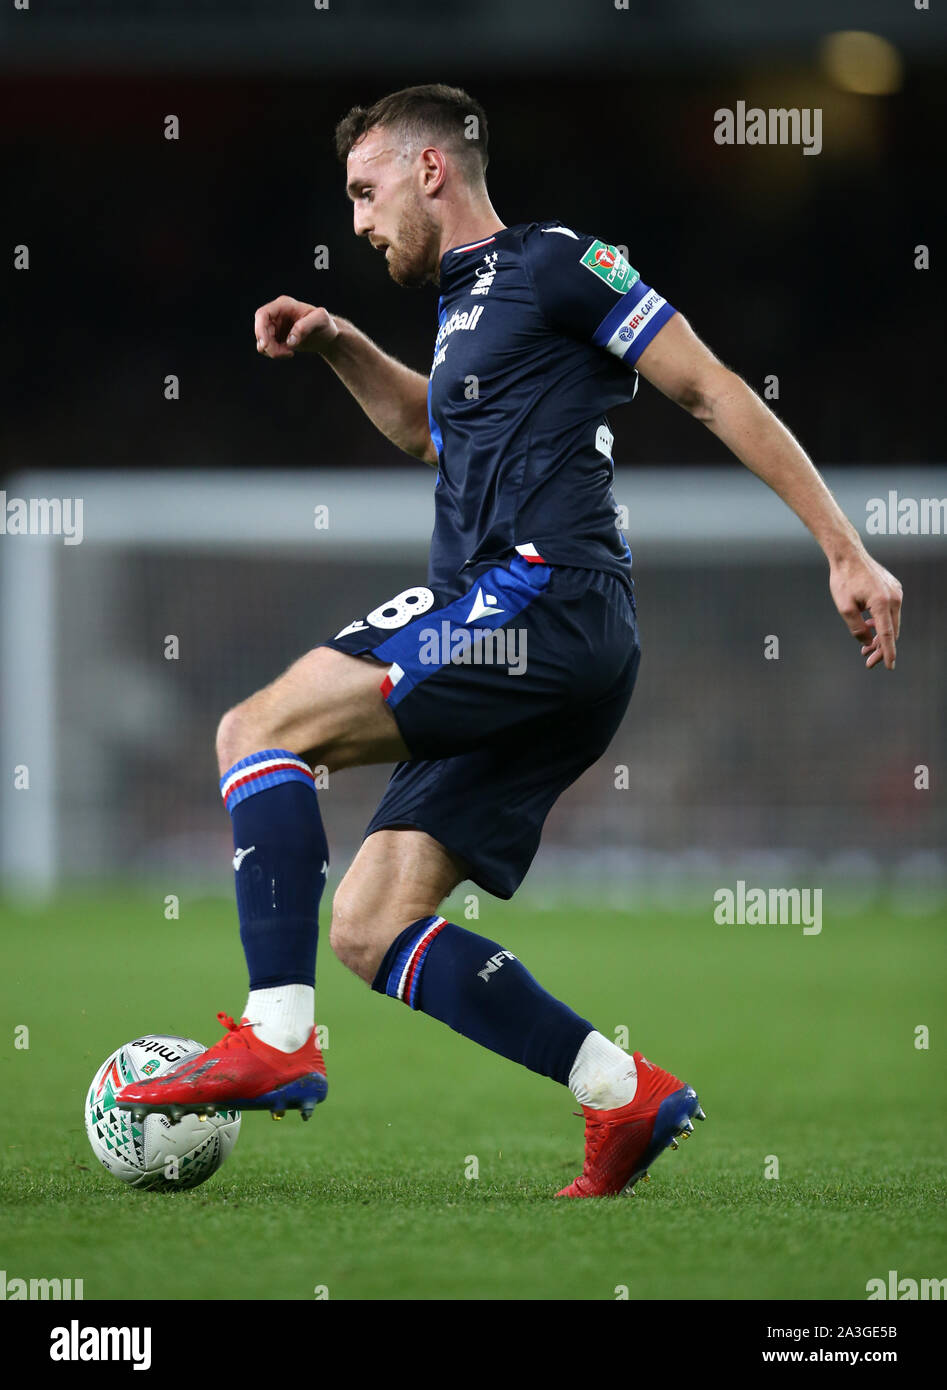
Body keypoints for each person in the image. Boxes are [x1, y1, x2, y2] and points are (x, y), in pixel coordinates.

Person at [118, 84, 902, 1198]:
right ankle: (619, 1089)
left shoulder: (556, 263)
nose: (356, 221)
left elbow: (712, 389)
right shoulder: (461, 308)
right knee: (370, 921)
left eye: (363, 190)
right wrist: (339, 340)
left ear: (430, 169)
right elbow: (427, 430)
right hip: (545, 640)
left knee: (258, 728)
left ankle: (276, 1035)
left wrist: (841, 547)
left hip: (541, 600)